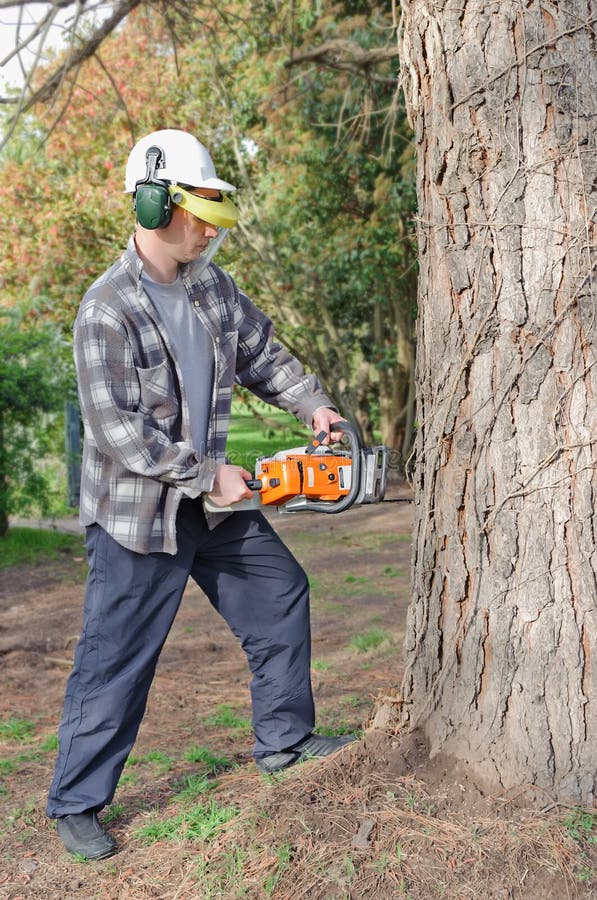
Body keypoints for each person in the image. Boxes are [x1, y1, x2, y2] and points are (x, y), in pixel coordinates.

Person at [47, 129, 355, 860]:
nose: (210, 228)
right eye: (201, 211)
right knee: (116, 657)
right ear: (156, 205)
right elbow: (117, 431)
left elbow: (262, 353)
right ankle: (77, 801)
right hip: (138, 516)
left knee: (279, 593)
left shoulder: (210, 284)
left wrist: (310, 403)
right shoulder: (106, 309)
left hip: (211, 505)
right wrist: (204, 473)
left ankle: (285, 741)